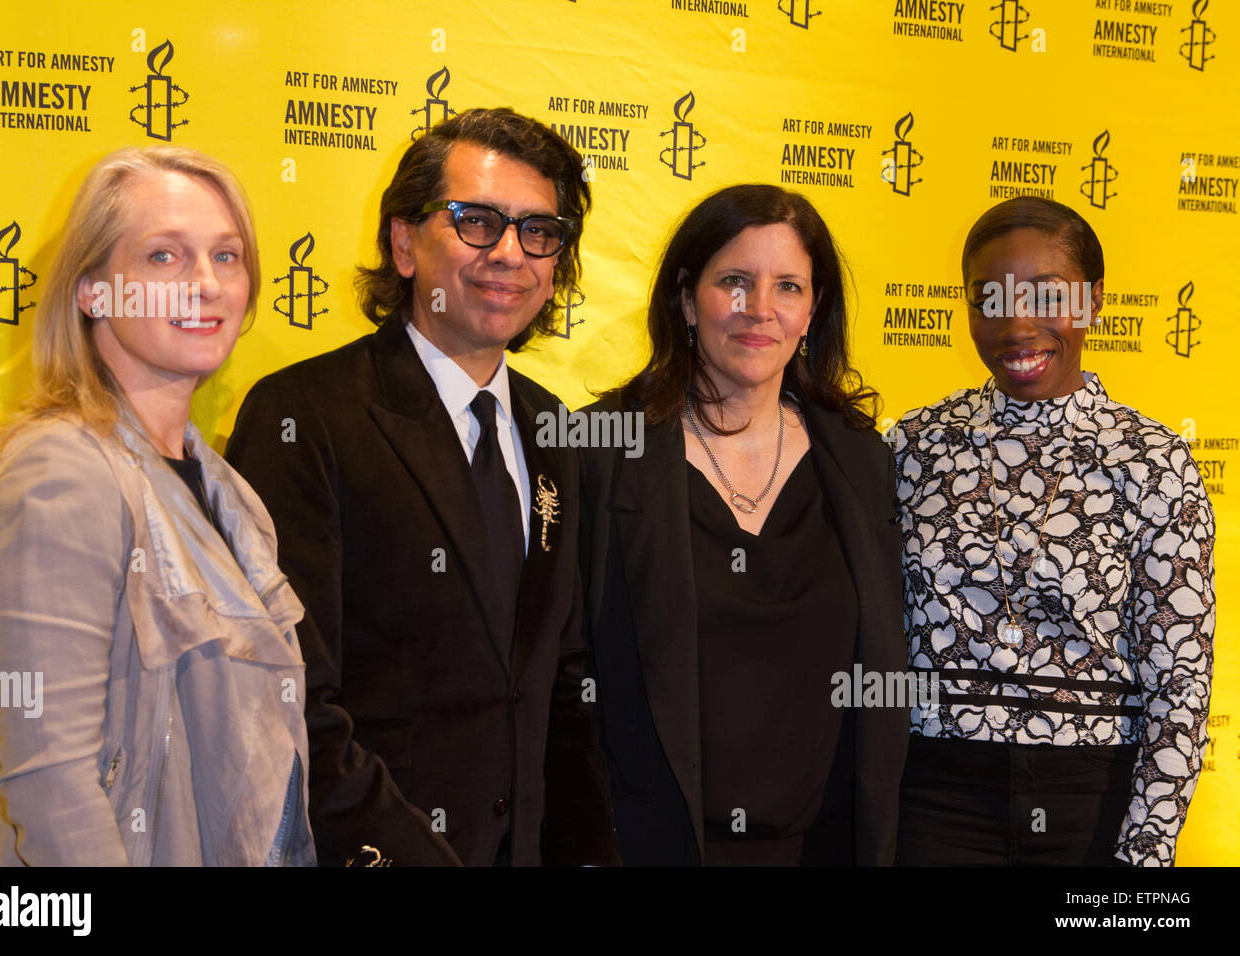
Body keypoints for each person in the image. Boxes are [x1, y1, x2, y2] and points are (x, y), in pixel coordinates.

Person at [225, 108, 618, 867]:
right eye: (477, 222)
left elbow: (563, 678)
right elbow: (287, 695)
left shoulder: (555, 429)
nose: (510, 253)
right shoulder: (305, 415)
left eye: (540, 231)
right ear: (404, 243)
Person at [0, 146, 314, 866]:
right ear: (93, 291)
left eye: (227, 256)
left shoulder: (229, 494)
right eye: (162, 258)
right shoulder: (62, 471)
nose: (205, 285)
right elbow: (52, 789)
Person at [579, 184, 909, 866]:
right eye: (734, 280)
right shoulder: (604, 452)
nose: (760, 309)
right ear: (684, 299)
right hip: (656, 845)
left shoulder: (860, 459)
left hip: (826, 850)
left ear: (812, 311)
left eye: (787, 286)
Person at [893, 196, 1215, 866]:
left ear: (1095, 300)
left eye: (1046, 296)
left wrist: (1145, 852)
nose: (1016, 324)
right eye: (990, 298)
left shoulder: (1152, 459)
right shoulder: (914, 447)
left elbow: (1179, 682)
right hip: (932, 801)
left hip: (1091, 807)